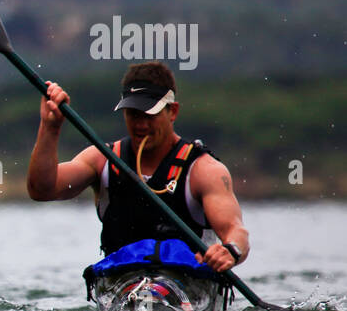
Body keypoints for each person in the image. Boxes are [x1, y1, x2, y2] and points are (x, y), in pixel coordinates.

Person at [26, 61, 249, 273]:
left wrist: (230, 250)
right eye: (133, 114)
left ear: (172, 111)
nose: (141, 125)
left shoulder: (204, 170)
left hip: (187, 289)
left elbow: (235, 229)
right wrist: (50, 127)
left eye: (150, 114)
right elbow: (42, 190)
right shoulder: (102, 159)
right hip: (121, 286)